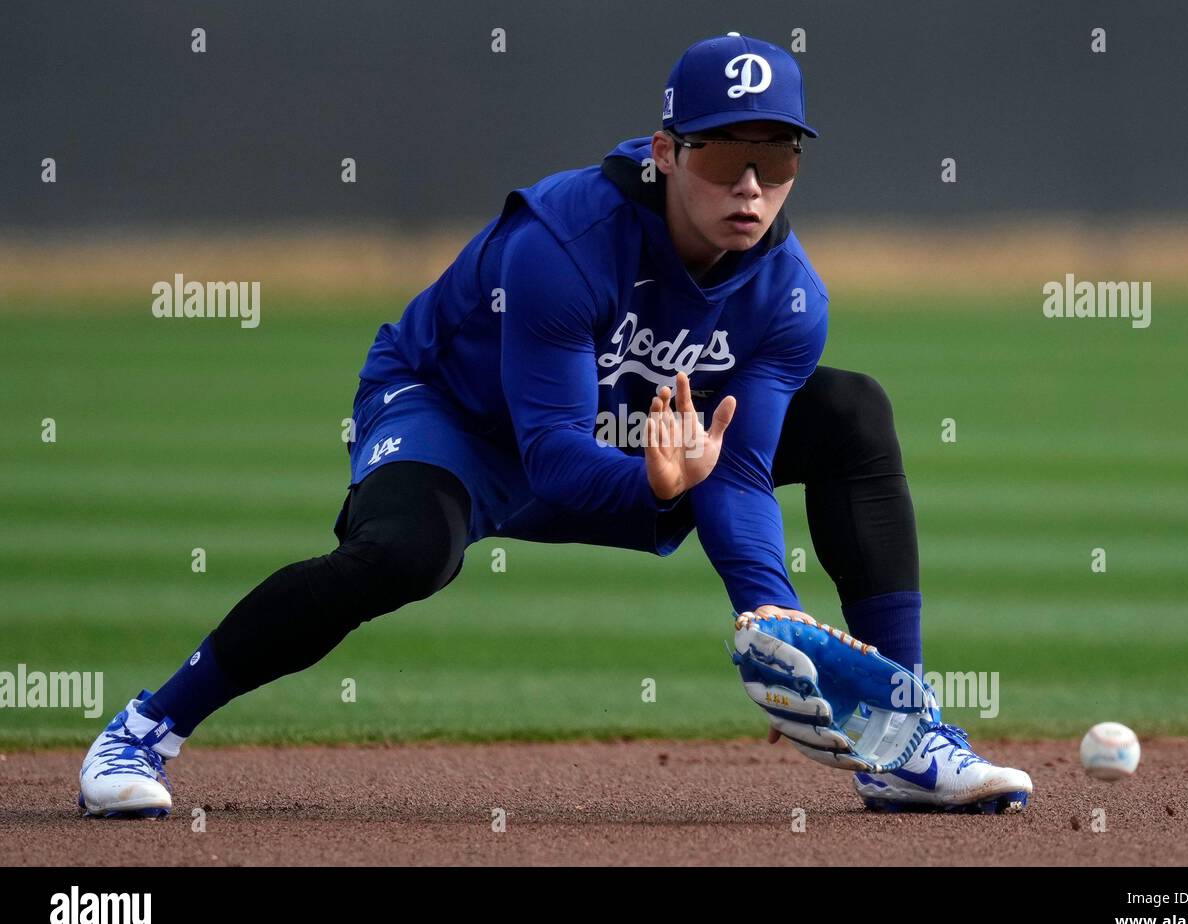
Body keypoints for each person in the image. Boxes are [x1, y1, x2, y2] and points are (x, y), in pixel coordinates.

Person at [78, 33, 1031, 818]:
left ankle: (905, 736)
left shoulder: (789, 298)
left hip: (625, 432)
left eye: (776, 158)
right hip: (459, 411)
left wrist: (767, 604)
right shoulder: (564, 245)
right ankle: (144, 730)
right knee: (405, 554)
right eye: (721, 154)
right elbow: (549, 458)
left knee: (853, 410)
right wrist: (660, 483)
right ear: (665, 154)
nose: (750, 185)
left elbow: (732, 472)